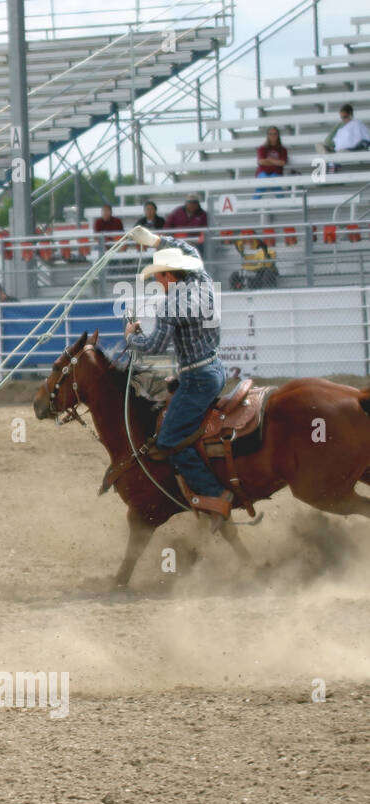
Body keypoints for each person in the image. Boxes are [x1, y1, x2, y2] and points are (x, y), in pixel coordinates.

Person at [124, 227, 232, 529]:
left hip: (198, 378)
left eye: (159, 277)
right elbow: (191, 251)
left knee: (170, 438)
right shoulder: (202, 280)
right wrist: (157, 241)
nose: (158, 283)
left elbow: (154, 347)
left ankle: (214, 495)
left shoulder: (172, 305)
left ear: (169, 276)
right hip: (215, 368)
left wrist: (132, 337)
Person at [254, 126, 287, 198]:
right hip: (263, 172)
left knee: (275, 183)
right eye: (270, 134)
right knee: (261, 184)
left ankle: (283, 205)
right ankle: (254, 207)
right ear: (267, 135)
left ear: (278, 135)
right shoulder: (262, 148)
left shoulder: (282, 149)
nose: (273, 136)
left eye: (275, 134)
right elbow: (261, 162)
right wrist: (275, 162)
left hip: (276, 173)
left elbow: (282, 163)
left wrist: (269, 160)